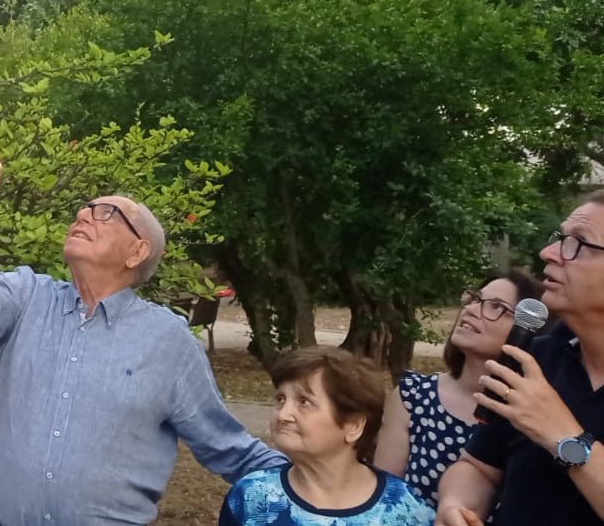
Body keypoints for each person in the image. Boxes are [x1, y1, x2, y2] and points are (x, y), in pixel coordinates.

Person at [0, 168, 286, 525]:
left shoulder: (168, 341)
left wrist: (320, 479)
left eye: (106, 214)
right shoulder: (28, 297)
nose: (83, 215)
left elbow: (225, 445)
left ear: (137, 251)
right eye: (84, 209)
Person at [436, 195, 604, 526]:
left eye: (579, 243)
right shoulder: (536, 358)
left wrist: (564, 436)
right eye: (560, 239)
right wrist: (455, 505)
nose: (548, 253)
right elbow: (478, 467)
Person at [374, 269, 545, 505]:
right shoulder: (413, 396)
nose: (471, 310)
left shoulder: (535, 418)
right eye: (475, 299)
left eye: (497, 307)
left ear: (530, 330)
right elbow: (384, 505)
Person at [220, 347, 434, 525]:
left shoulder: (408, 511)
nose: (283, 414)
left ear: (353, 426)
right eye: (280, 399)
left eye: (304, 402)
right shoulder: (250, 497)